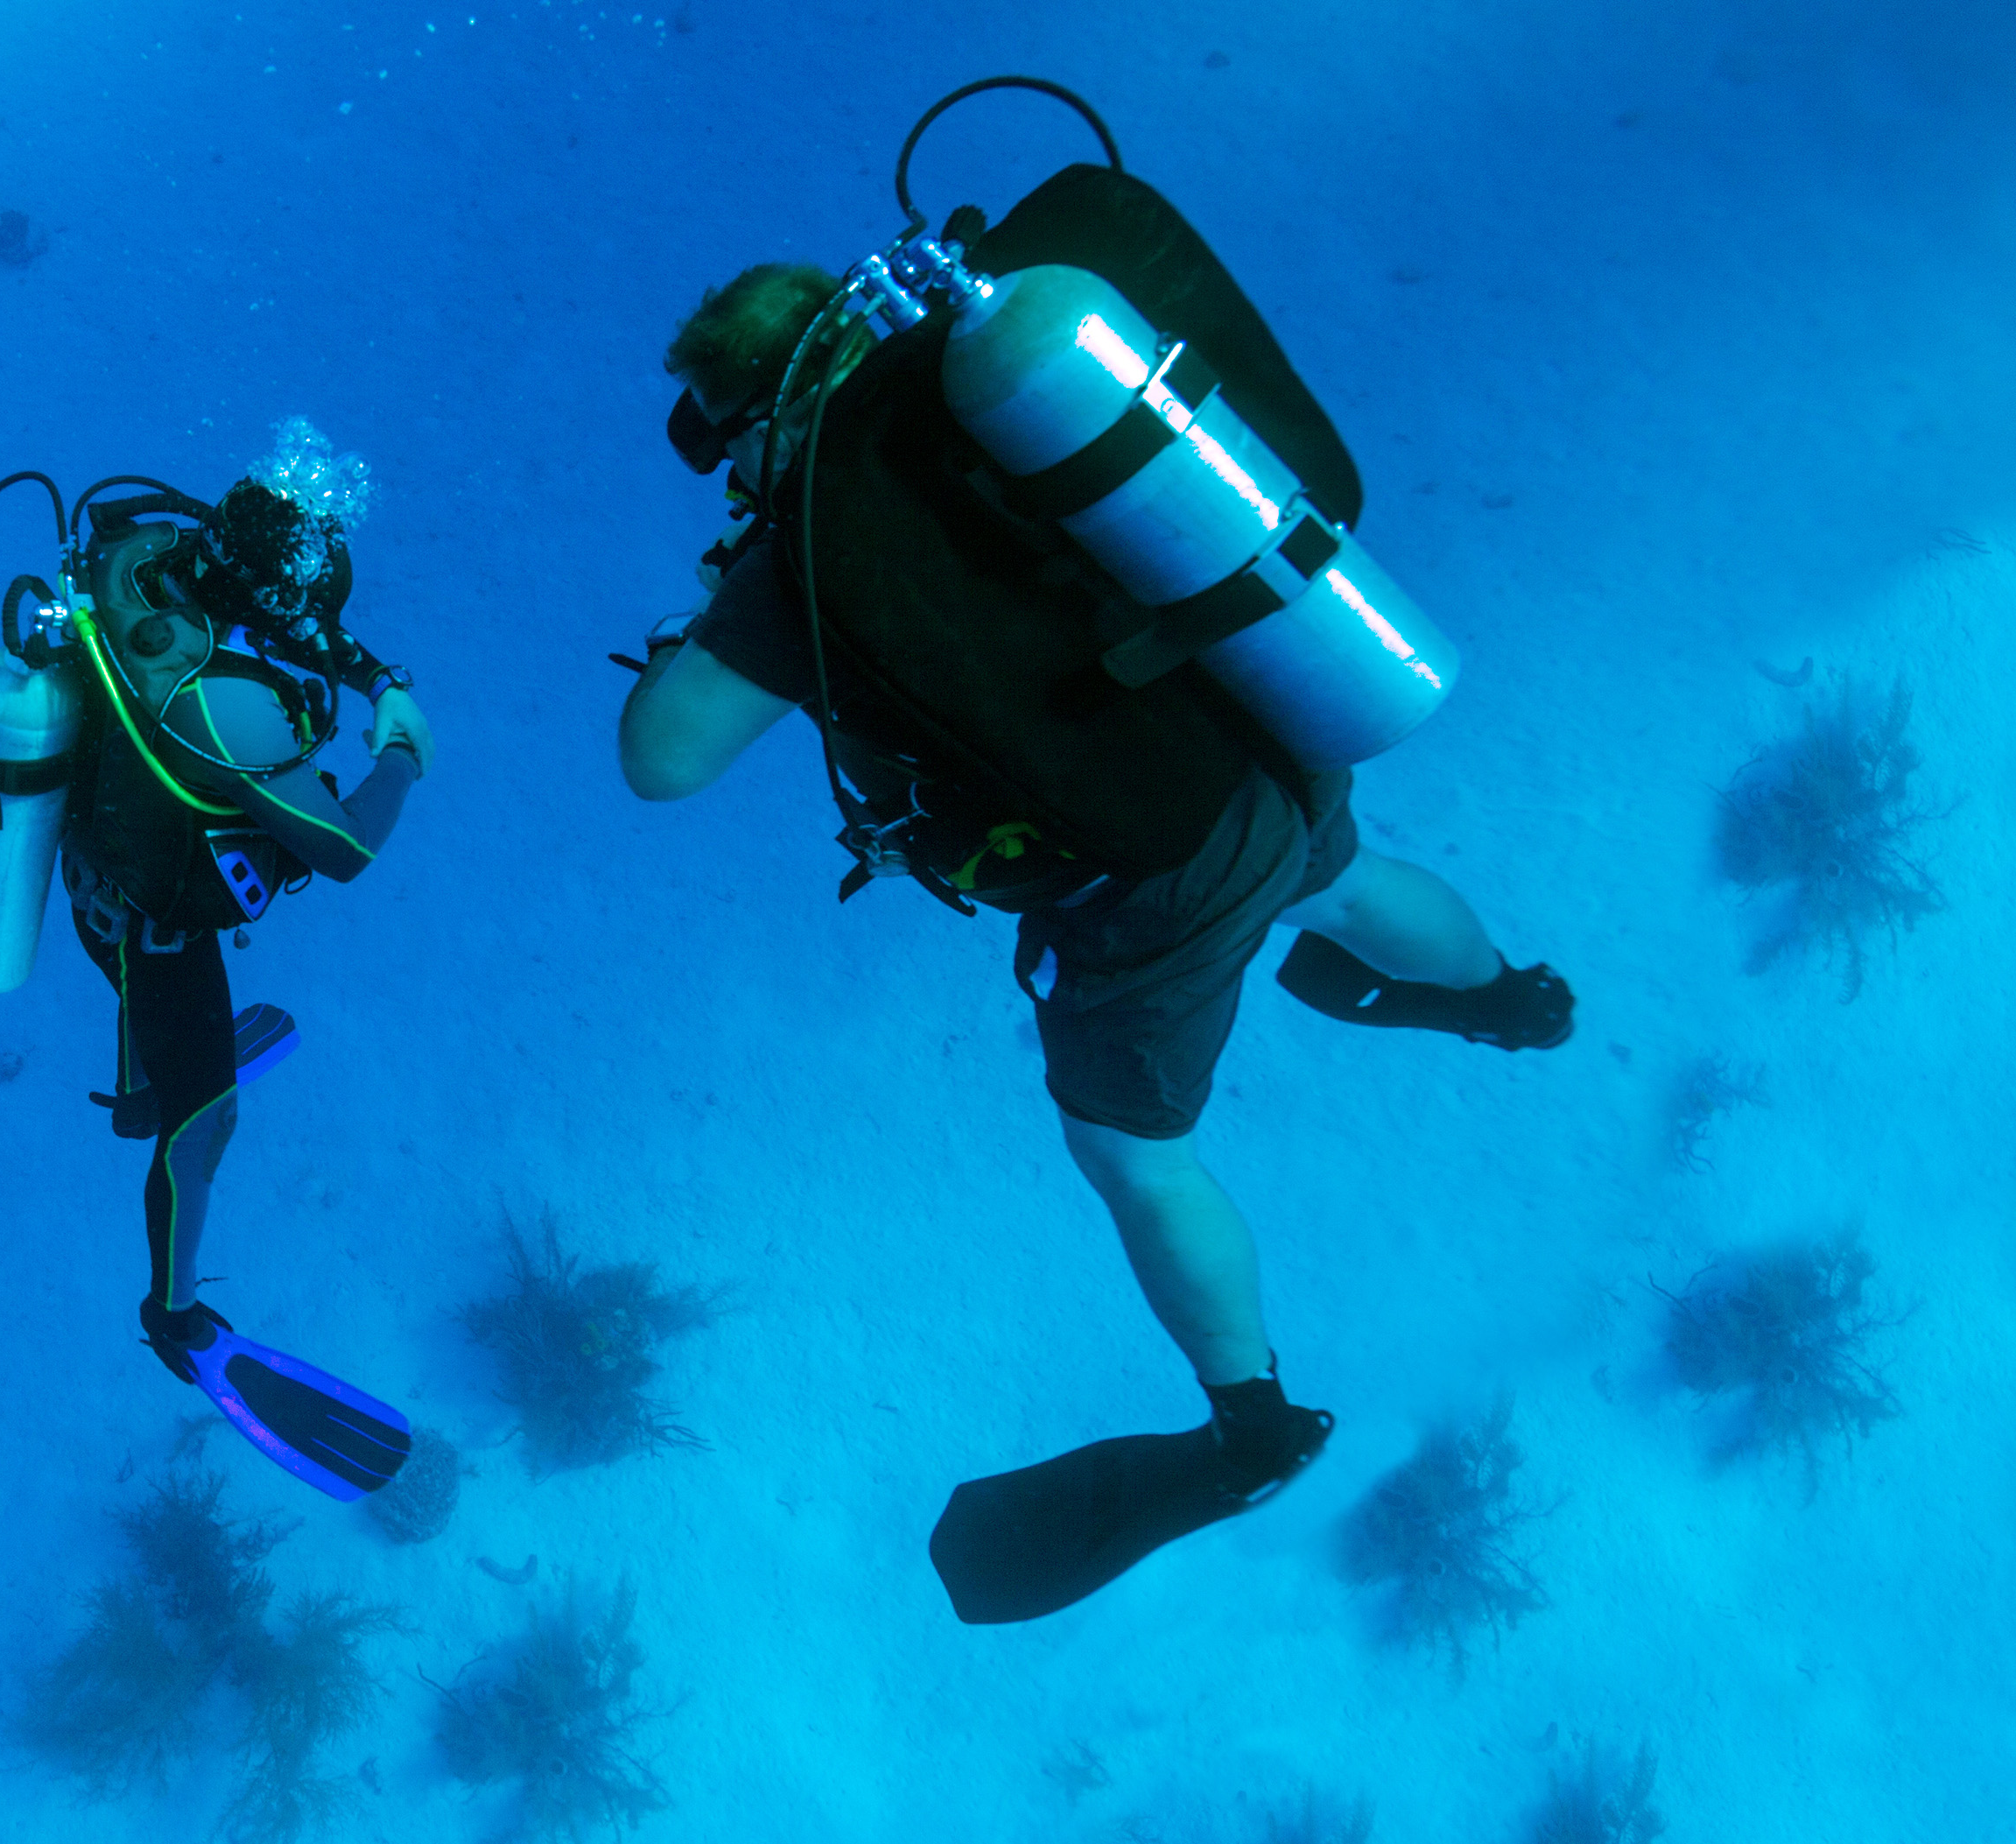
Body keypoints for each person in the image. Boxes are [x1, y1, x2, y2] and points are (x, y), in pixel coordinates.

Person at [620, 247, 1574, 1623]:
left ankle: (1253, 1424)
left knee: (1129, 1146)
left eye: (724, 436)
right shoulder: (994, 397)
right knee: (1346, 882)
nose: (733, 471)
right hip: (1266, 737)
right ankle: (1510, 999)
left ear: (759, 409)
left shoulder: (819, 545)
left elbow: (662, 758)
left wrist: (706, 626)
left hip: (1150, 882)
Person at [52, 423, 433, 1497]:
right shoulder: (227, 707)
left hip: (94, 876)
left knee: (147, 1010)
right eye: (303, 613)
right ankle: (172, 1316)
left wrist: (372, 672)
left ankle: (140, 1090)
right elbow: (346, 848)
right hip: (156, 928)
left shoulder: (146, 550)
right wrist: (400, 747)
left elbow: (296, 624)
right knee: (208, 1123)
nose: (315, 630)